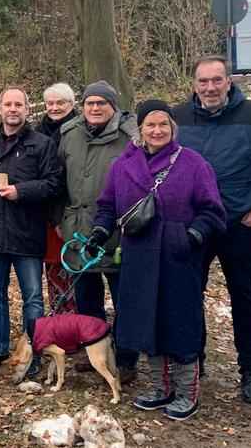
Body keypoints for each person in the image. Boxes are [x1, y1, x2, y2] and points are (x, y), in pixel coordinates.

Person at [90, 100, 225, 421]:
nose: (157, 130)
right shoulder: (122, 167)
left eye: (163, 124)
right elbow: (107, 205)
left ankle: (187, 393)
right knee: (144, 321)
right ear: (140, 129)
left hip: (178, 256)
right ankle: (161, 388)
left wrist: (191, 236)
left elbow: (212, 210)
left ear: (172, 128)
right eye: (151, 125)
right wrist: (99, 229)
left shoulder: (193, 164)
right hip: (138, 256)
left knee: (179, 322)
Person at [171, 56, 251, 403]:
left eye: (217, 80)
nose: (210, 88)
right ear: (194, 84)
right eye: (203, 81)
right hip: (195, 225)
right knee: (188, 295)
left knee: (244, 297)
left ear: (229, 81)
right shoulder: (179, 117)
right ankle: (193, 362)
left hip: (238, 222)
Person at [0, 86, 63, 374]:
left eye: (18, 104)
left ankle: (32, 353)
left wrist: (21, 191)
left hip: (26, 232)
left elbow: (54, 184)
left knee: (32, 297)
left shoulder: (42, 144)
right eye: (7, 104)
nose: (12, 109)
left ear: (26, 110)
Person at [53, 80, 138, 382]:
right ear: (83, 106)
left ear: (113, 106)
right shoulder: (69, 135)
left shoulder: (131, 137)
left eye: (102, 103)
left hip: (116, 231)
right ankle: (95, 350)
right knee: (88, 298)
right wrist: (59, 219)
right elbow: (59, 180)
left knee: (123, 297)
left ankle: (127, 358)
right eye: (90, 103)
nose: (96, 108)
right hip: (78, 230)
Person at [36, 83, 80, 315]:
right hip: (45, 213)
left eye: (60, 103)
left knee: (77, 269)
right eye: (50, 103)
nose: (54, 107)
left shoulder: (80, 130)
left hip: (72, 210)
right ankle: (63, 323)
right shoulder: (38, 132)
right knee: (54, 270)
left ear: (71, 105)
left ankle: (86, 324)